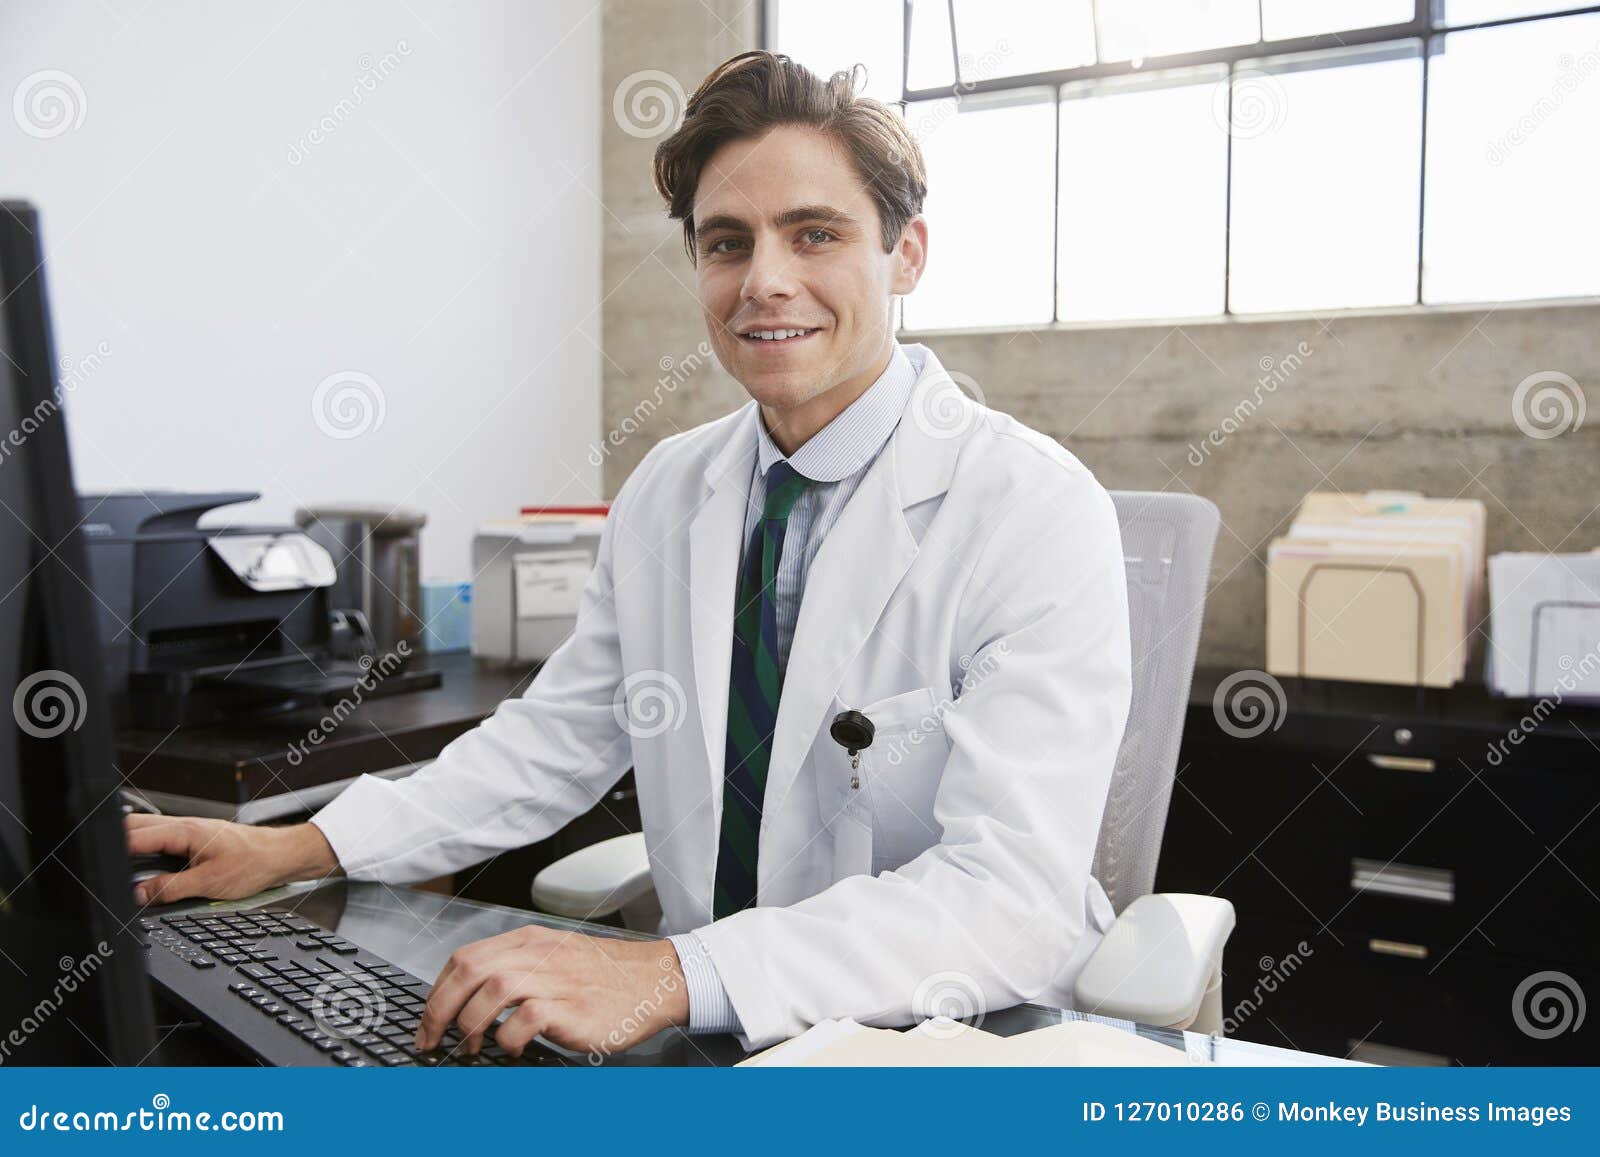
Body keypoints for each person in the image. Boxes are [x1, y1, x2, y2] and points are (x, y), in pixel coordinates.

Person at [125, 50, 1132, 1056]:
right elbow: (553, 741)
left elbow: (1010, 896)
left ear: (906, 254)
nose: (765, 282)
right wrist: (298, 846)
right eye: (727, 243)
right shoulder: (669, 488)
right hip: (713, 1034)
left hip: (943, 1037)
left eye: (815, 234)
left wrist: (673, 970)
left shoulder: (1030, 508)